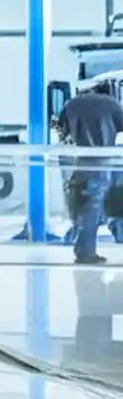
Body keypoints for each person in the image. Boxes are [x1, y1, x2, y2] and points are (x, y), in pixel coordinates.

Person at [59, 81, 123, 264]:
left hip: (79, 162)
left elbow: (61, 130)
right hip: (102, 161)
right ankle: (85, 252)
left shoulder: (71, 104)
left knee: (84, 205)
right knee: (95, 206)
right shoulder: (112, 104)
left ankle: (83, 247)